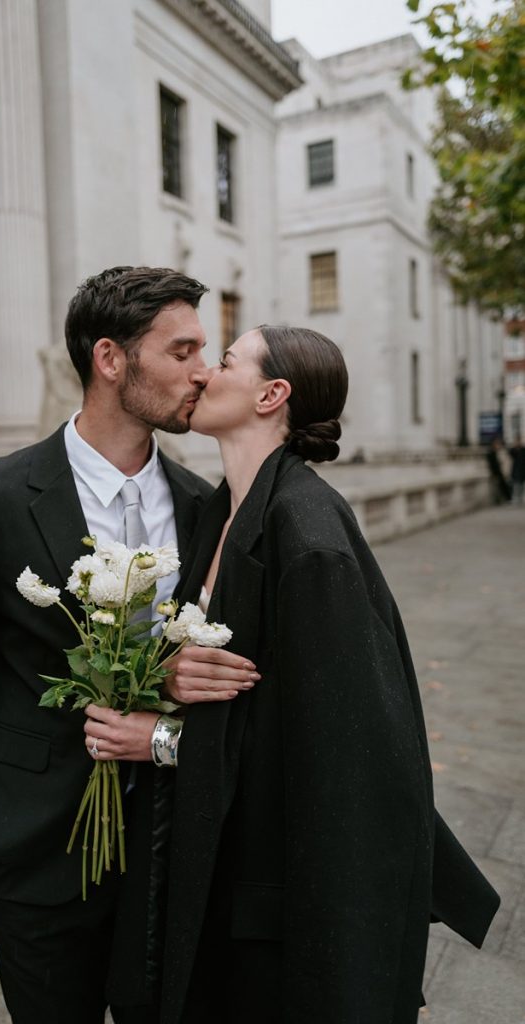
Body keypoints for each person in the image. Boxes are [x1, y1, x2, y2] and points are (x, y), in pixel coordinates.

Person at [91, 325, 501, 1023]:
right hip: (206, 868)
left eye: (221, 363)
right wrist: (164, 675)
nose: (198, 376)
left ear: (270, 394)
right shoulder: (217, 511)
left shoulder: (309, 535)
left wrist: (161, 741)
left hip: (274, 903)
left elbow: (341, 755)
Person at [0, 266, 259, 1024]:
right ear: (110, 359)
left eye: (206, 351)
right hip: (28, 855)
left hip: (168, 854)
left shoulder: (206, 508)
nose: (203, 371)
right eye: (182, 350)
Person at [486, 436, 512, 504]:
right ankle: (500, 500)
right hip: (496, 473)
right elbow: (492, 464)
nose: (498, 445)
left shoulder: (500, 452)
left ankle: (506, 498)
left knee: (504, 486)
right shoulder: (491, 453)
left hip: (502, 473)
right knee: (497, 488)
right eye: (496, 443)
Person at [509, 436, 525, 505]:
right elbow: (511, 454)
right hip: (515, 470)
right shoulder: (513, 450)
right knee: (516, 485)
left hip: (522, 470)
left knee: (521, 486)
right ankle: (515, 499)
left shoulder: (523, 449)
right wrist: (515, 447)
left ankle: (520, 498)